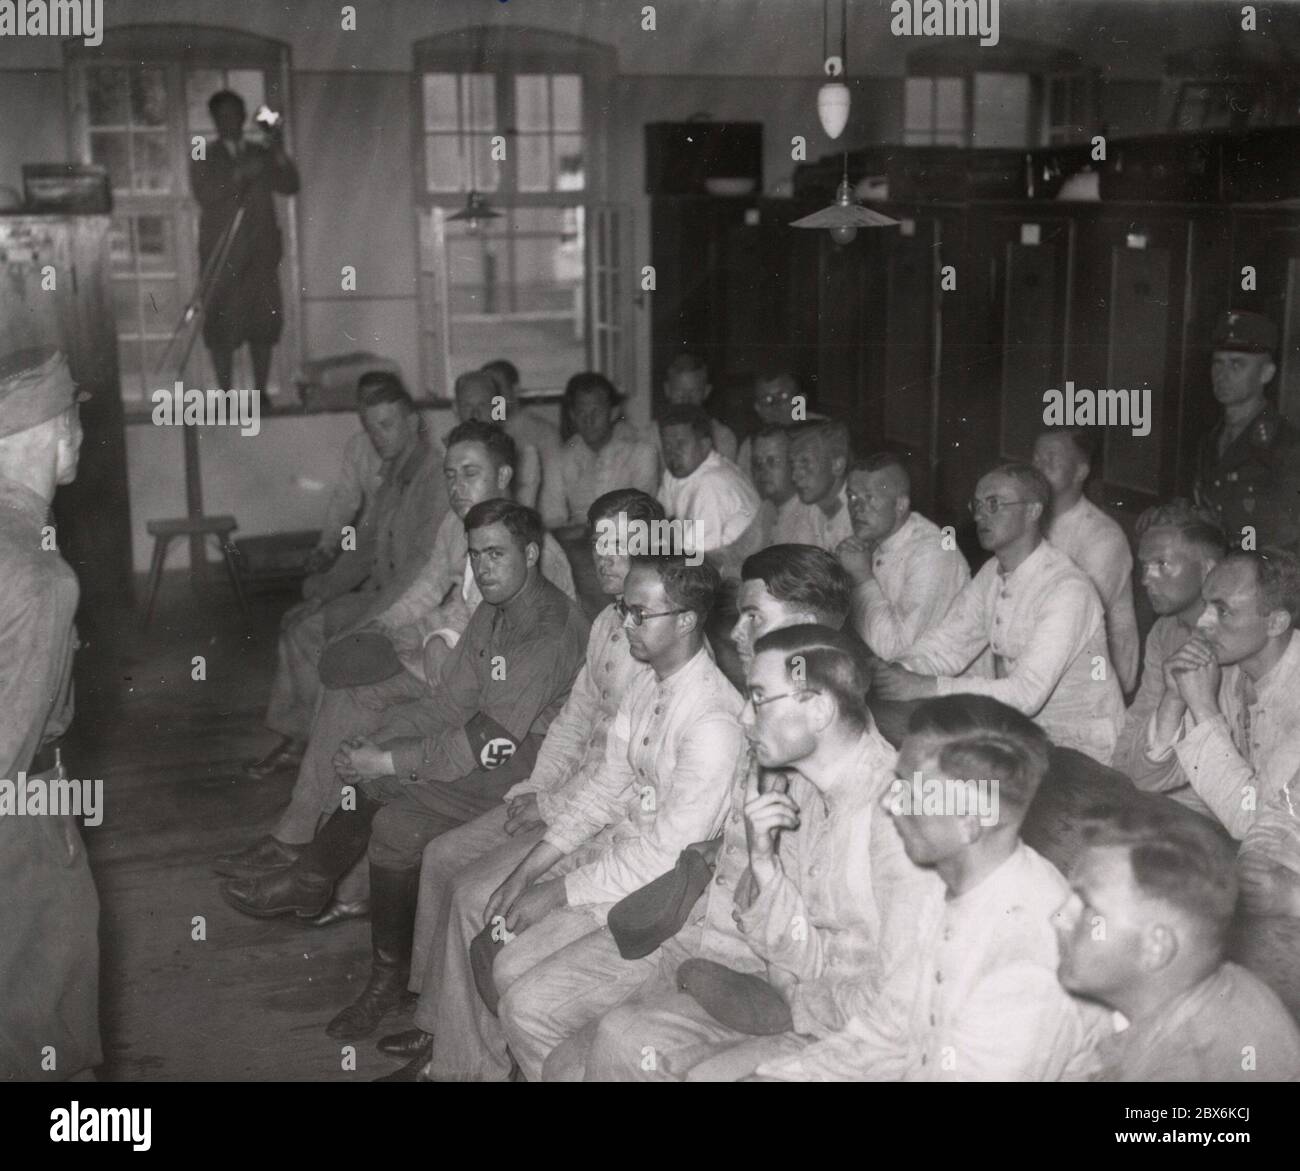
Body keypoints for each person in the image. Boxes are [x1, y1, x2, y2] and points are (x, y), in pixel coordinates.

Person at [222, 502, 589, 1045]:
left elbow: (483, 744)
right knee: (393, 827)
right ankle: (387, 980)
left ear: (531, 555)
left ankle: (310, 880)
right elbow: (448, 704)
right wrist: (384, 739)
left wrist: (389, 761)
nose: (483, 567)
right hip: (487, 755)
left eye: (496, 554)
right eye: (475, 554)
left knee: (376, 783)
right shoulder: (495, 607)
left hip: (529, 774)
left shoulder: (547, 630)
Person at [215, 422, 575, 915]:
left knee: (373, 725)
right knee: (350, 695)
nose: (455, 486)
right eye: (450, 474)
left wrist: (432, 648)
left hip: (509, 719)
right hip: (459, 678)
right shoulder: (460, 528)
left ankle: (326, 869)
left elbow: (506, 669)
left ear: (505, 475)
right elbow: (435, 592)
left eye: (470, 473)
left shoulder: (537, 558)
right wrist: (390, 628)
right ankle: (309, 846)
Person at [372, 490, 662, 1079]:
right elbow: (575, 722)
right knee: (444, 855)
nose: (603, 555)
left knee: (476, 893)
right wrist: (536, 787)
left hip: (600, 816)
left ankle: (464, 1065)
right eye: (598, 540)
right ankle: (442, 1032)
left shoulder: (654, 634)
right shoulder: (609, 621)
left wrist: (553, 802)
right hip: (562, 796)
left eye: (620, 542)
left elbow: (622, 773)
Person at [578, 625, 939, 1082]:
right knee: (619, 1039)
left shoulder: (896, 819)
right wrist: (766, 868)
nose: (746, 717)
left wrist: (796, 1000)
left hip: (876, 1049)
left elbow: (903, 1006)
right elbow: (817, 950)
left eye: (760, 698)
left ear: (820, 709)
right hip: (818, 1011)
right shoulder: (813, 790)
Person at [755, 695, 1109, 1081]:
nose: (889, 803)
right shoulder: (948, 886)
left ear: (970, 821)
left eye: (909, 789)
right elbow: (889, 1028)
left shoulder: (1026, 958)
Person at [487, 557, 746, 1082]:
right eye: (625, 610)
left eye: (640, 613)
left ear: (687, 620)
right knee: (506, 963)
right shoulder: (650, 682)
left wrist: (560, 893)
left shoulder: (713, 719)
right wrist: (527, 872)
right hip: (629, 873)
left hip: (672, 904)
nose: (625, 623)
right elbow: (606, 787)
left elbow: (667, 856)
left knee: (524, 999)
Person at [243, 375, 448, 778]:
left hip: (422, 610)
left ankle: (328, 750)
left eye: (386, 425)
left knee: (337, 642)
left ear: (412, 424)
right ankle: (301, 739)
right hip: (385, 598)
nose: (377, 437)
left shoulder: (436, 477)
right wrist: (325, 592)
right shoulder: (392, 476)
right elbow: (364, 545)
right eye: (370, 428)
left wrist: (367, 616)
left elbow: (419, 568)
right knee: (301, 625)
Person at [875, 463, 1124, 765]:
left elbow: (1025, 694)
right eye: (977, 505)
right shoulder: (993, 572)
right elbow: (949, 643)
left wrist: (928, 686)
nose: (979, 515)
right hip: (1025, 738)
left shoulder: (1068, 589)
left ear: (1033, 511)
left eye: (994, 504)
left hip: (1086, 752)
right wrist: (899, 669)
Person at [0, 347, 100, 1080]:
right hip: (22, 827)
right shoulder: (42, 576)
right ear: (52, 429)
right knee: (48, 1041)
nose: (81, 434)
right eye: (75, 417)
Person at [1056, 806, 1300, 1080]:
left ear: (1156, 947)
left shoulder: (1188, 1067)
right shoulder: (1223, 985)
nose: (1059, 917)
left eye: (1087, 908)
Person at [1145, 549, 1300, 841]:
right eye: (1205, 606)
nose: (1202, 622)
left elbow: (1254, 825)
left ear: (1276, 623)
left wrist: (1204, 709)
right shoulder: (1225, 668)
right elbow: (1148, 780)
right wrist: (1174, 698)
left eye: (1222, 610)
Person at [1112, 500, 1224, 815]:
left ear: (1209, 568)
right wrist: (1115, 780)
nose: (1146, 579)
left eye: (1161, 564)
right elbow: (1142, 712)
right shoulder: (1164, 631)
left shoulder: (1236, 636)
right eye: (1144, 565)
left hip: (1217, 806)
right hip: (1162, 790)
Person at [189, 89, 299, 392]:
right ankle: (226, 397)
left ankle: (260, 394)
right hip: (223, 258)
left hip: (261, 256)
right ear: (214, 119)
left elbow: (291, 184)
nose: (229, 121)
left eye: (234, 114)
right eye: (222, 116)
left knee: (263, 325)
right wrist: (238, 175)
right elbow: (204, 193)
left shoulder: (259, 151)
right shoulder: (202, 152)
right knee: (221, 329)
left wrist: (276, 149)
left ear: (242, 115)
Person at [1032, 428, 1140, 694]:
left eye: (1052, 457)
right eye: (1036, 457)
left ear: (1081, 471)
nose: (1039, 465)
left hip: (1098, 677)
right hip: (1043, 662)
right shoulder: (1028, 523)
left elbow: (1078, 618)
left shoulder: (1103, 536)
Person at [836, 452, 970, 660]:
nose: (857, 508)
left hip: (940, 684)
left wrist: (861, 577)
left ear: (900, 505)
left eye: (869, 498)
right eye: (852, 497)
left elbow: (897, 651)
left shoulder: (933, 553)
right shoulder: (875, 534)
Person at [1194, 310, 1300, 553]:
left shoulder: (1288, 446)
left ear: (1266, 374)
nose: (1222, 375)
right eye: (1217, 363)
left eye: (1236, 364)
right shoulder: (1210, 441)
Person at [541, 373, 658, 532]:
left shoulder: (641, 452)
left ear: (614, 412)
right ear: (572, 415)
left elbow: (641, 517)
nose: (589, 420)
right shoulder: (559, 459)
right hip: (578, 548)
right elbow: (552, 519)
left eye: (597, 411)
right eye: (582, 412)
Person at [657, 404, 762, 575]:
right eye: (666, 445)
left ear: (705, 444)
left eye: (680, 444)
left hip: (738, 576)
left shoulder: (712, 482)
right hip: (707, 566)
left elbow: (696, 561)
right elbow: (659, 526)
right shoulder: (674, 474)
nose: (672, 453)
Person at [305, 377, 386, 575]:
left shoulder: (414, 446)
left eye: (378, 401)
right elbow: (345, 500)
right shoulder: (358, 445)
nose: (370, 410)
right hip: (367, 537)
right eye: (364, 403)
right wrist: (327, 546)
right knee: (318, 584)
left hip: (404, 541)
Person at [480, 360, 564, 513]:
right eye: (488, 392)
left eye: (498, 390)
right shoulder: (482, 436)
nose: (493, 398)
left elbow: (554, 503)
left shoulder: (543, 433)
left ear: (515, 390)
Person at [736, 372, 825, 481]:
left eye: (783, 396)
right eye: (767, 400)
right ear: (758, 408)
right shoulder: (750, 448)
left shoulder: (825, 432)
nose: (775, 405)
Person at [652, 353, 737, 461]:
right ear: (667, 390)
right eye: (679, 392)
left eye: (694, 392)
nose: (686, 400)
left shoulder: (722, 437)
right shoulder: (651, 436)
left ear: (706, 392)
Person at [788, 420, 854, 552]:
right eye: (792, 464)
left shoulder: (861, 517)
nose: (794, 476)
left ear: (837, 465)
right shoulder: (804, 508)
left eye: (805, 462)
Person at [749, 425, 809, 546]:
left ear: (792, 464)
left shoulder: (809, 515)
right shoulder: (767, 507)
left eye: (772, 462)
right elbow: (738, 553)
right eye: (757, 463)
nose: (763, 470)